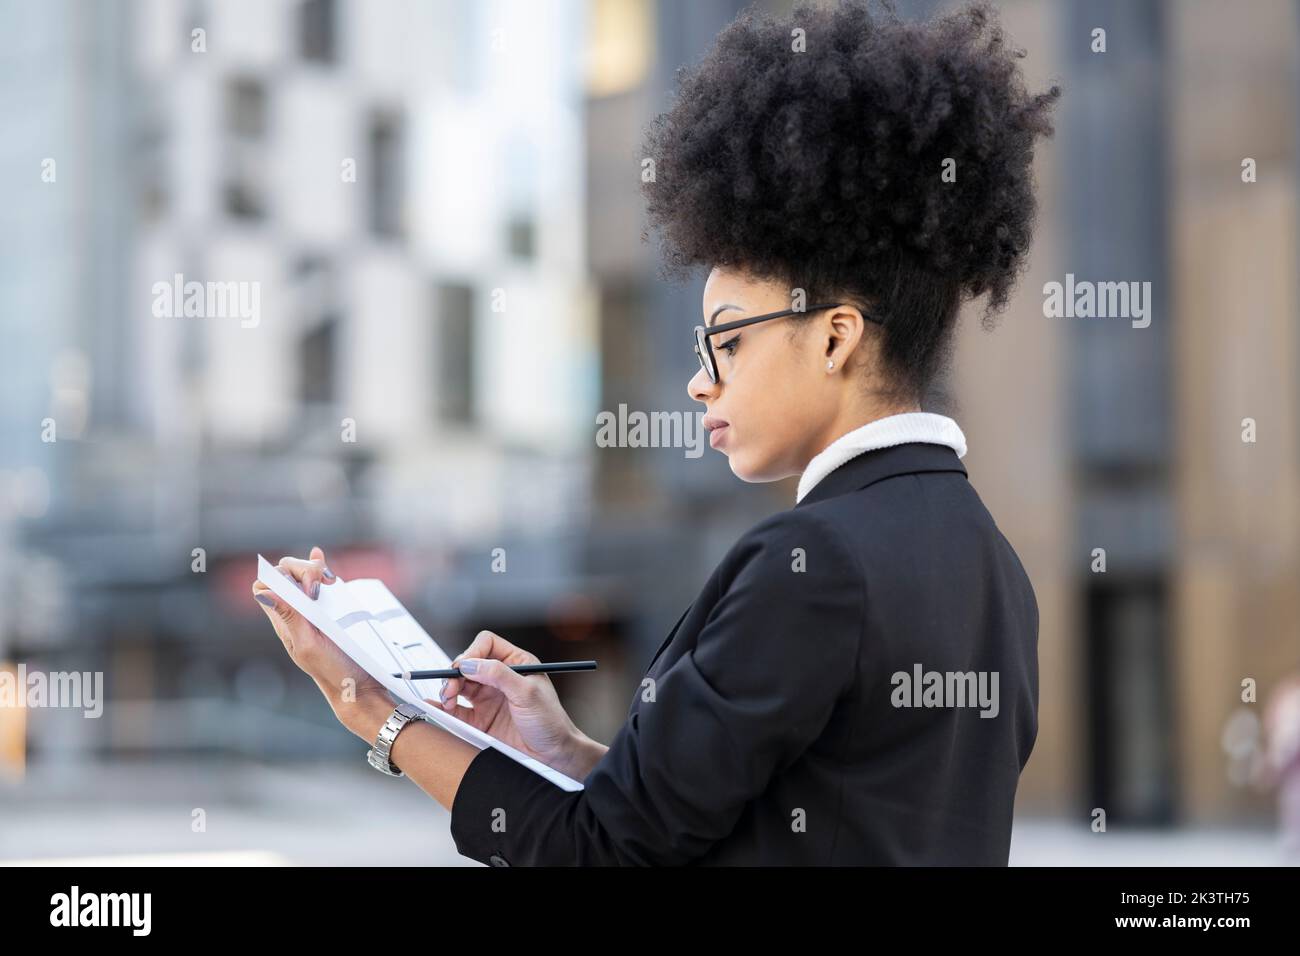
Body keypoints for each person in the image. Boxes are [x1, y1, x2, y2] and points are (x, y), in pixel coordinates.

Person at [252, 0, 1059, 865]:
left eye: (727, 341)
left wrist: (374, 708)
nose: (699, 379)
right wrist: (563, 752)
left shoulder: (814, 564)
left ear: (834, 336)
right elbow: (745, 827)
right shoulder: (995, 567)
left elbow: (599, 854)